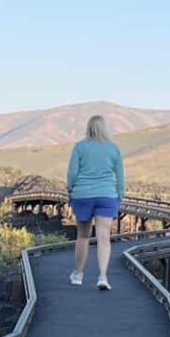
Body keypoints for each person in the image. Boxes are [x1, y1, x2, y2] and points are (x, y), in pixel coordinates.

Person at [66, 114, 125, 291]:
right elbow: (120, 177)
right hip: (107, 196)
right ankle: (102, 277)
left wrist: (71, 190)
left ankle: (78, 274)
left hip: (83, 195)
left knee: (83, 236)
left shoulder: (80, 147)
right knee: (104, 237)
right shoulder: (114, 149)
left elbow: (72, 173)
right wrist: (119, 196)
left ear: (88, 128)